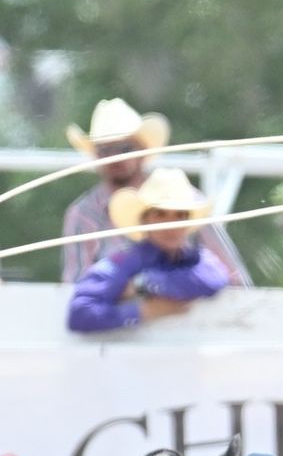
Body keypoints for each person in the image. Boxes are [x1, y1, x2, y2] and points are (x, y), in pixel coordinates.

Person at [66, 168, 229, 332]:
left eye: (180, 215)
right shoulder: (121, 263)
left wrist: (143, 283)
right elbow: (80, 314)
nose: (170, 225)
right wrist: (142, 311)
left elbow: (214, 279)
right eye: (160, 214)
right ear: (144, 221)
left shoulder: (196, 259)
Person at [61, 98, 171, 282]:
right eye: (104, 150)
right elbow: (77, 288)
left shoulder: (180, 200)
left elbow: (232, 277)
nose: (114, 157)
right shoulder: (82, 214)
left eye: (125, 149)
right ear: (95, 156)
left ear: (143, 151)